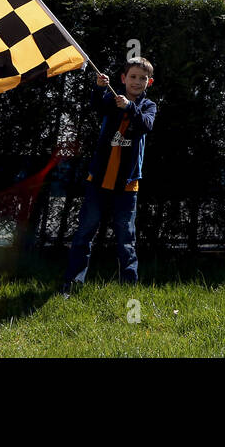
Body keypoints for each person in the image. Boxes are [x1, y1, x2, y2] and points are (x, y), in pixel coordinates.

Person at [62, 58, 158, 293]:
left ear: (149, 82)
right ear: (123, 79)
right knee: (85, 232)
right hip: (99, 179)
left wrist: (129, 107)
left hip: (127, 184)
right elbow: (97, 105)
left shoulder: (148, 106)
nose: (137, 82)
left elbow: (146, 125)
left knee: (126, 237)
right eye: (132, 77)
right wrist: (99, 87)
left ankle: (128, 286)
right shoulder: (110, 100)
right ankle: (73, 284)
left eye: (142, 78)